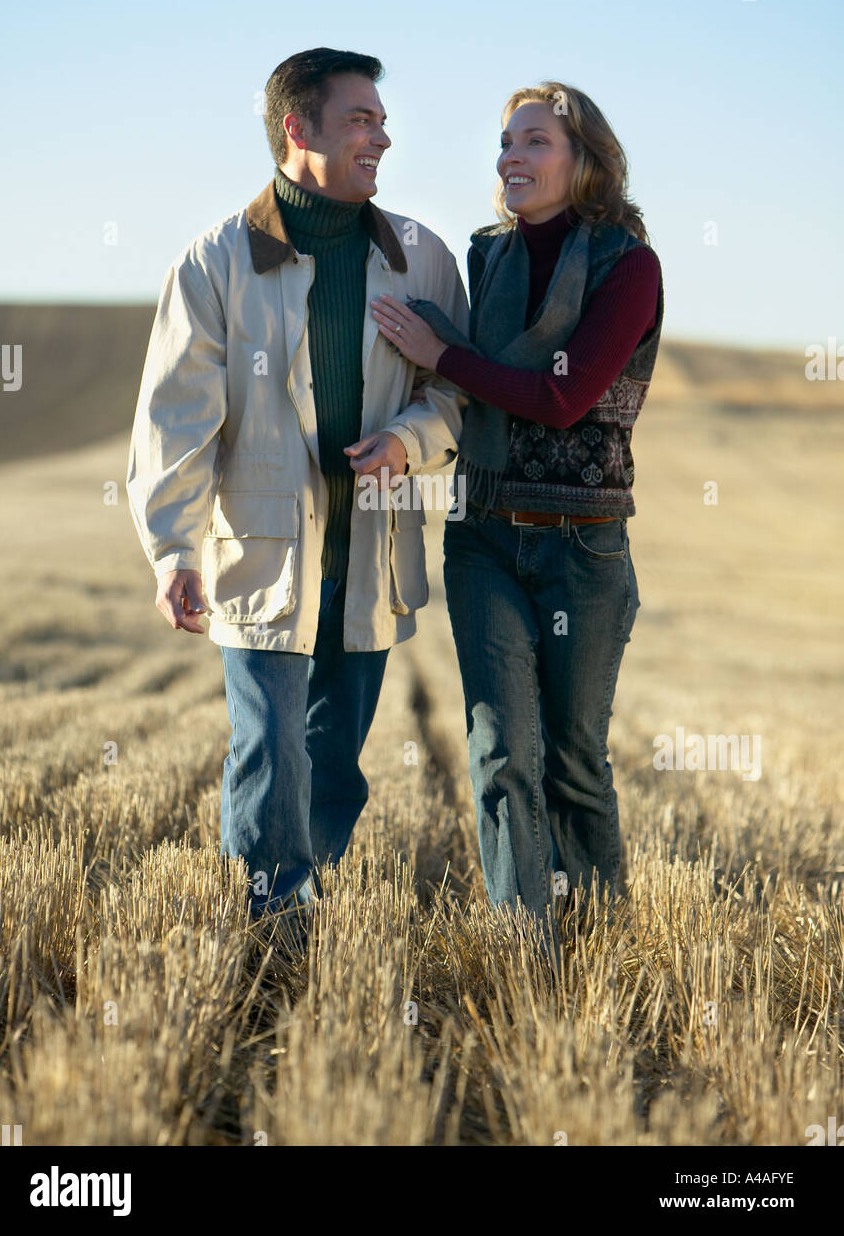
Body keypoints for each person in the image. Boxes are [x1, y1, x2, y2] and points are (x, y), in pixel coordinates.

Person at [126, 47, 469, 923]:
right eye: (362, 119)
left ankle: (300, 885)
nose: (383, 138)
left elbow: (459, 392)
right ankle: (274, 913)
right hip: (262, 553)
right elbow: (177, 422)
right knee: (270, 749)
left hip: (371, 555)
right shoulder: (215, 265)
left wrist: (409, 437)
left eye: (382, 122)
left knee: (333, 761)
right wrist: (172, 548)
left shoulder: (423, 259)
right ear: (296, 128)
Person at [371, 81, 663, 928]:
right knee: (501, 754)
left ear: (586, 161)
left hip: (584, 548)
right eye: (505, 142)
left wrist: (442, 353)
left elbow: (561, 396)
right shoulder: (486, 257)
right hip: (485, 537)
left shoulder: (628, 267)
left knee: (573, 761)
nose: (512, 157)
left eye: (535, 141)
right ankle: (521, 943)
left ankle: (601, 937)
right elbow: (475, 385)